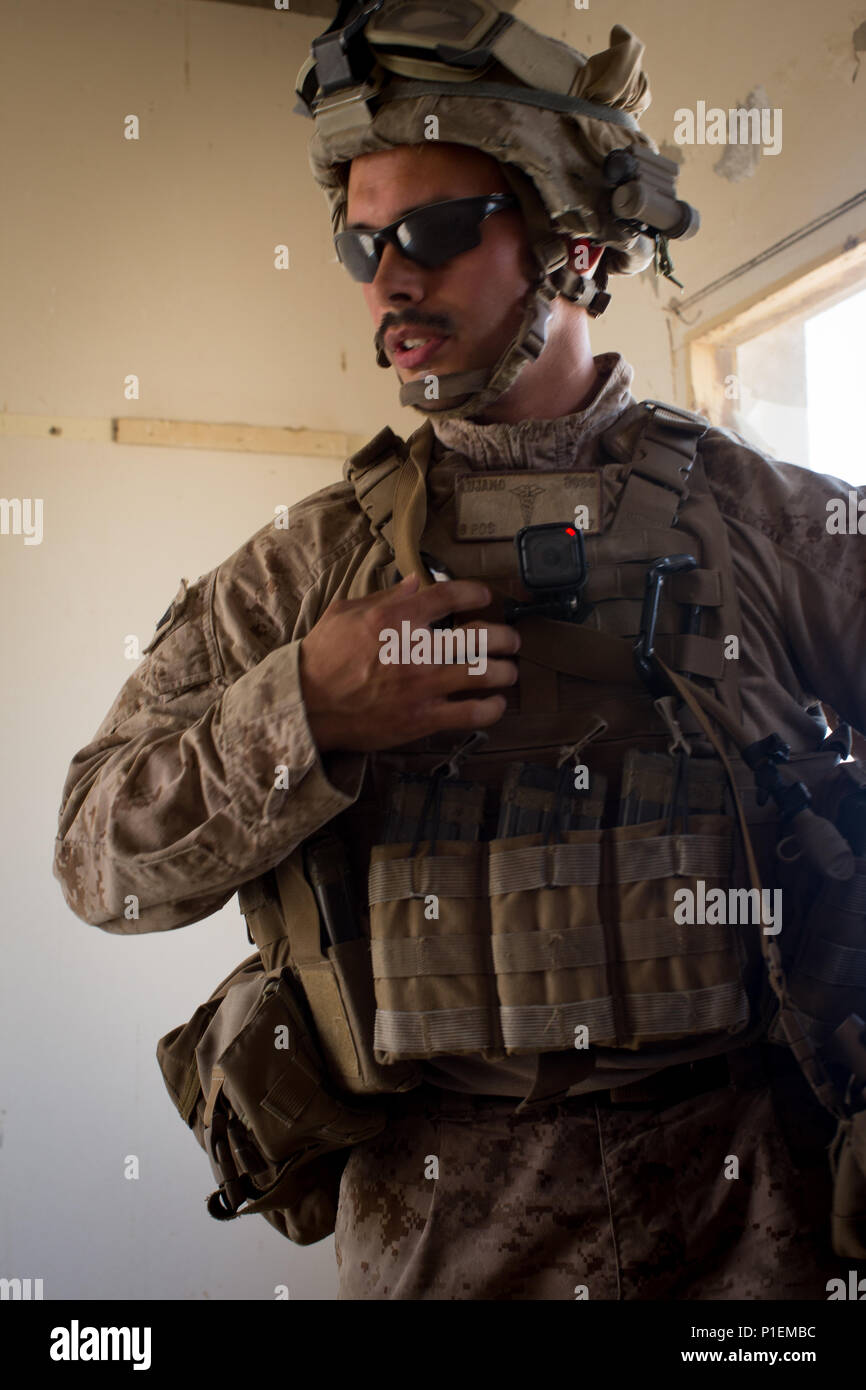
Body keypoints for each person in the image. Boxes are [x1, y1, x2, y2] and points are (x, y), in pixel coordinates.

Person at [54, 1, 866, 1300]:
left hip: (745, 1222)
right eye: (359, 240)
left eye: (432, 229)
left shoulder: (764, 523)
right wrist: (302, 714)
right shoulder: (302, 568)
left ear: (569, 242)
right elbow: (98, 862)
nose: (386, 276)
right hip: (433, 1235)